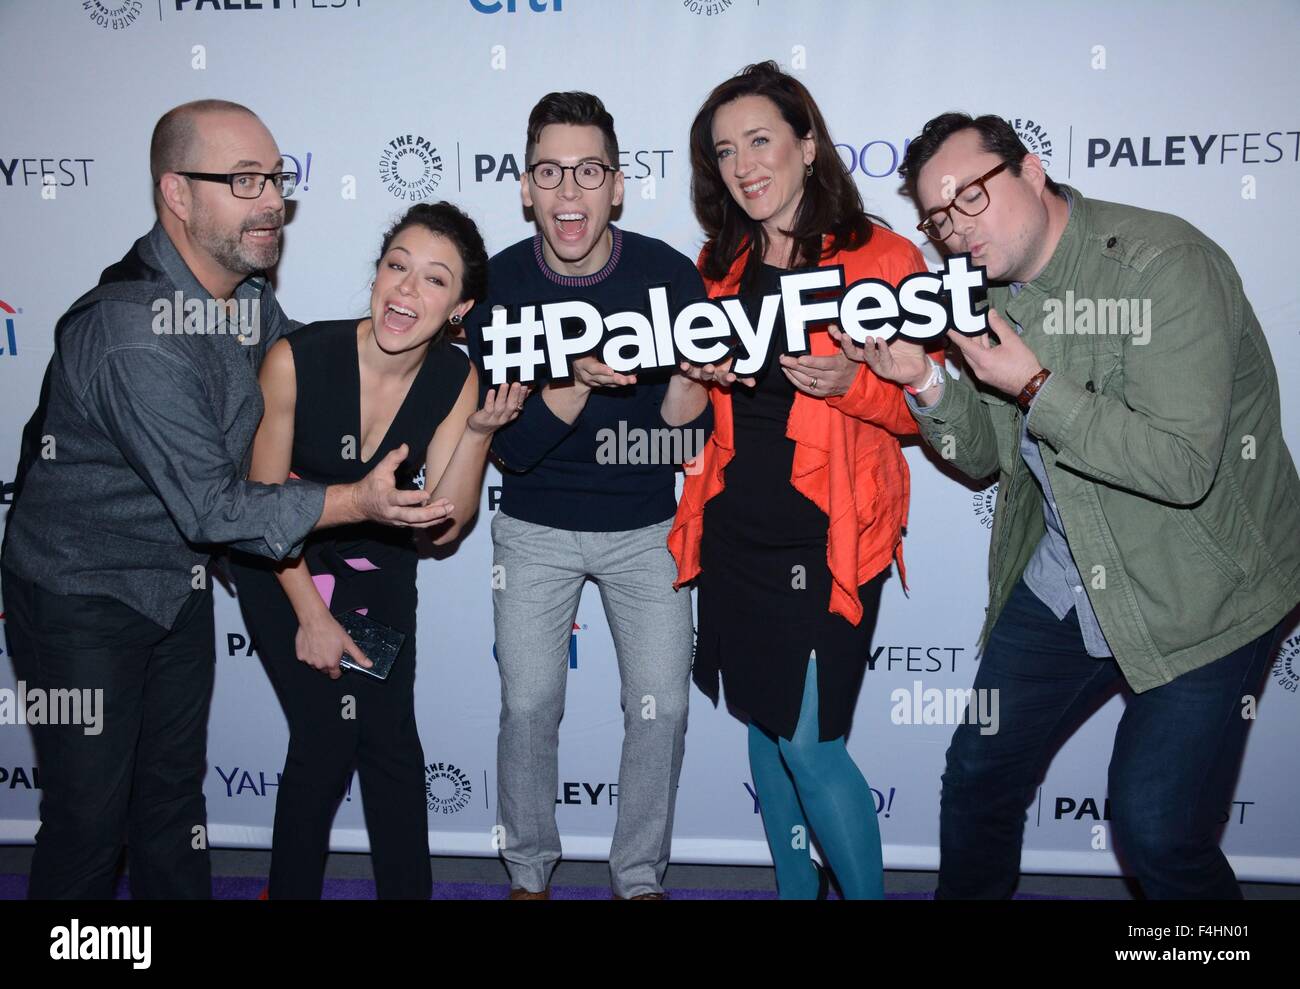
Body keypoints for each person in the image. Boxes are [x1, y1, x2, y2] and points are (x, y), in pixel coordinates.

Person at [0, 100, 455, 900]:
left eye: (276, 179)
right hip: (81, 595)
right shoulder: (134, 333)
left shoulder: (246, 300)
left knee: (173, 803)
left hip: (174, 587)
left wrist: (420, 335)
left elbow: (314, 363)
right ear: (177, 194)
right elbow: (215, 507)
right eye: (244, 180)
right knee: (89, 820)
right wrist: (356, 500)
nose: (272, 200)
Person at [856, 111, 1300, 899]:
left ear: (1030, 171)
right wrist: (921, 381)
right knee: (980, 772)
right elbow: (989, 457)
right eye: (936, 217)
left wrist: (1033, 385)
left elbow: (1181, 466)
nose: (953, 230)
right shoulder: (987, 290)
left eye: (970, 198)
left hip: (1203, 585)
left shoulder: (1165, 264)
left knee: (1158, 825)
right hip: (1070, 569)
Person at [667, 61, 935, 900]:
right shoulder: (716, 263)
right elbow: (679, 414)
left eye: (760, 141)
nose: (744, 164)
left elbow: (929, 412)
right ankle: (794, 890)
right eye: (725, 150)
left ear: (807, 145)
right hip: (735, 528)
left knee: (811, 743)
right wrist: (692, 372)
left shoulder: (883, 257)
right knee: (764, 719)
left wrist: (849, 384)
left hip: (830, 534)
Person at [230, 202, 525, 899]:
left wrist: (479, 433)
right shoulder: (295, 358)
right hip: (283, 566)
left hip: (377, 570)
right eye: (397, 266)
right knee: (328, 739)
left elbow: (442, 528)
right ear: (376, 271)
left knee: (391, 742)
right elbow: (261, 510)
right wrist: (312, 616)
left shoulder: (457, 376)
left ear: (460, 306)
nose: (405, 291)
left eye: (433, 279)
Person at [462, 91, 711, 901]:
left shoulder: (669, 276)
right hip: (532, 527)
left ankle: (639, 878)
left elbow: (682, 439)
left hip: (646, 525)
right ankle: (528, 875)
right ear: (525, 186)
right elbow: (512, 452)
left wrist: (687, 383)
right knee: (529, 704)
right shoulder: (494, 285)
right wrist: (570, 383)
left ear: (618, 185)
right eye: (550, 172)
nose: (570, 193)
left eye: (589, 171)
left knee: (663, 709)